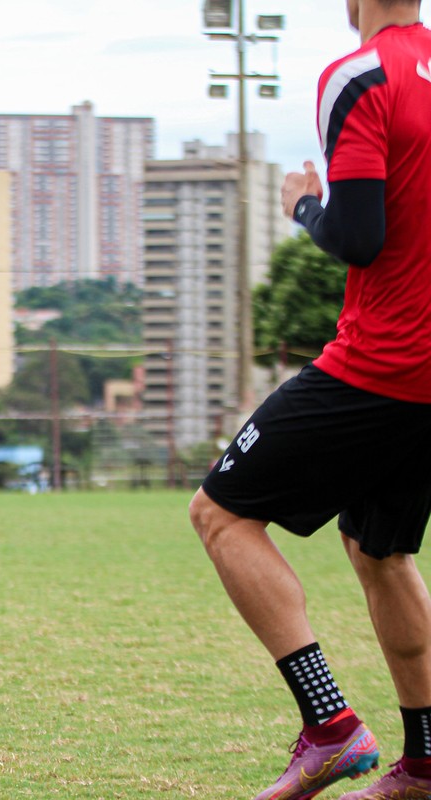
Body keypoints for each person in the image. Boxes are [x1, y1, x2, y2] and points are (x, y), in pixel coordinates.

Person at [189, 2, 431, 797]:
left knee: (219, 513)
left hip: (380, 364)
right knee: (380, 553)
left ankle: (331, 725)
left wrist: (302, 206)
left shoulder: (360, 75)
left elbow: (356, 237)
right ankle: (426, 761)